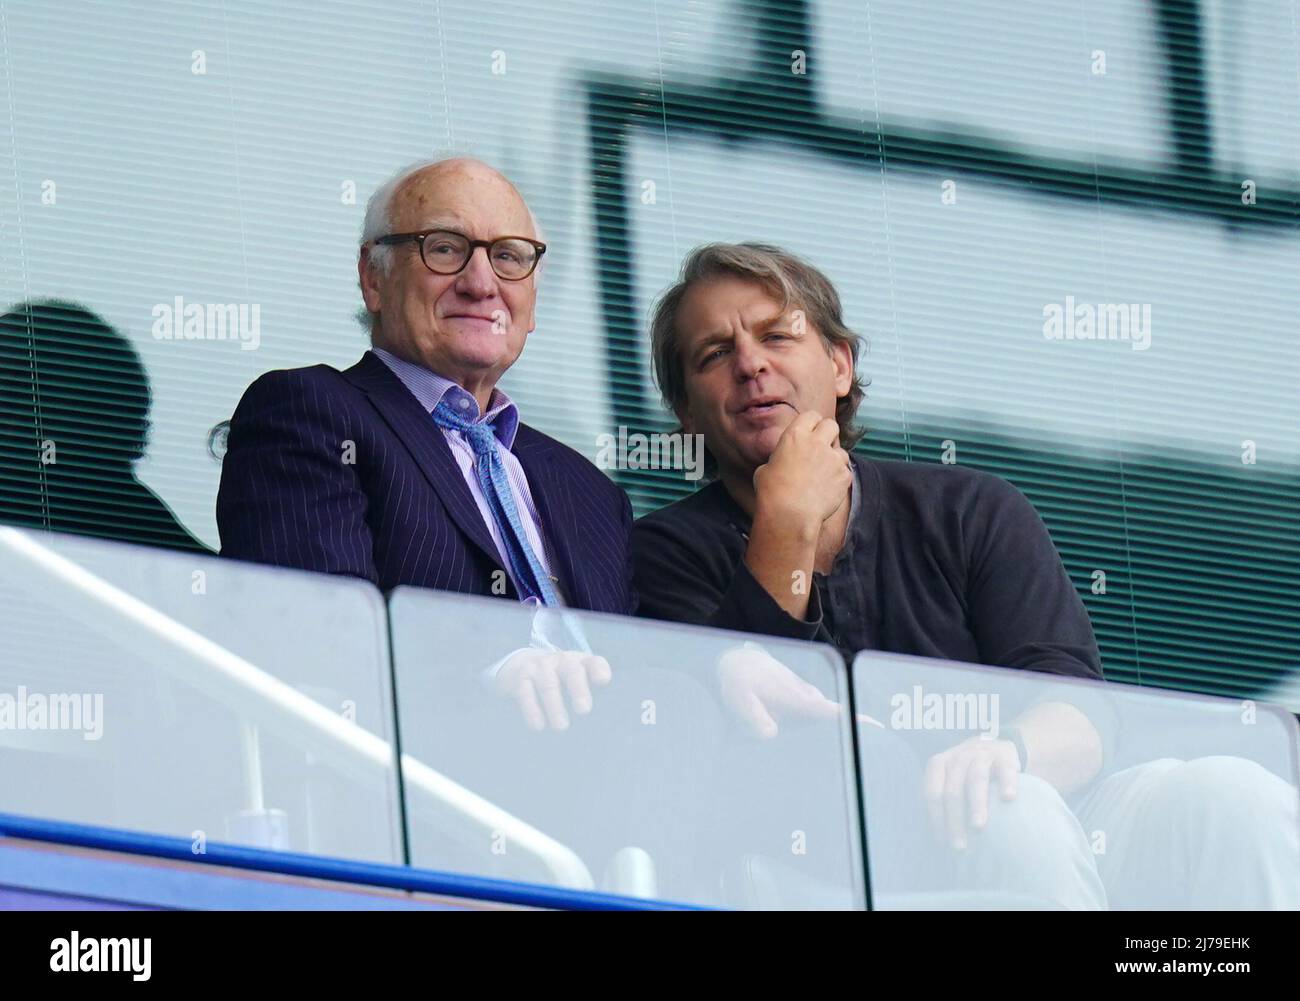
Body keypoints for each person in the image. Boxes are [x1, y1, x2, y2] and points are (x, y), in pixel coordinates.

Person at [632, 242, 1299, 908]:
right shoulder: (661, 549)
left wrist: (1007, 749)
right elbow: (744, 705)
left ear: (840, 365)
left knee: (1235, 797)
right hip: (853, 873)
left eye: (778, 335)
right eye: (715, 355)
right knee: (1012, 814)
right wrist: (788, 522)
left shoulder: (970, 508)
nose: (751, 363)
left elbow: (1079, 706)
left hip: (1058, 810)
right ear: (686, 411)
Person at [218, 156, 633, 723]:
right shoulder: (312, 412)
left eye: (509, 256)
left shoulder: (588, 489)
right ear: (374, 278)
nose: (481, 282)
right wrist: (490, 678)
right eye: (444, 248)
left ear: (532, 299)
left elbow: (641, 666)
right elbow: (313, 641)